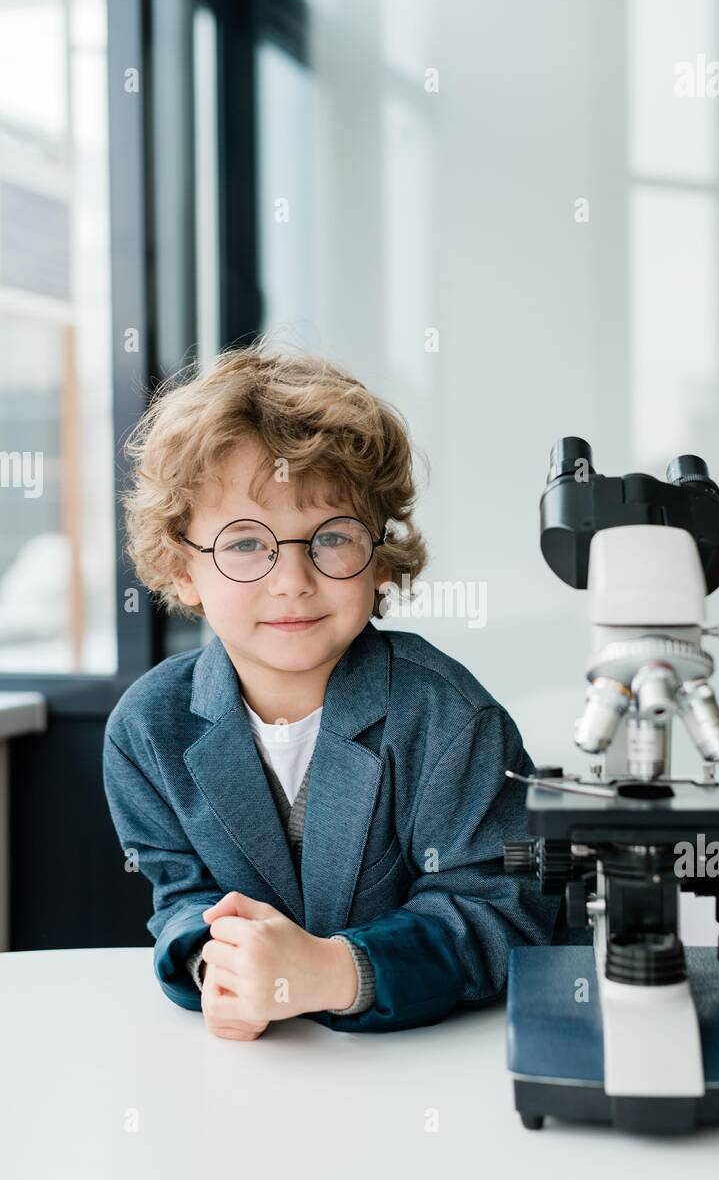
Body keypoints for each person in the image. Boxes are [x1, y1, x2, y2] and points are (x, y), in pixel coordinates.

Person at [102, 340, 560, 1039]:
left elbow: (501, 905)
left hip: (431, 1068)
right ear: (183, 568)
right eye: (247, 544)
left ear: (379, 557)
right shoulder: (147, 730)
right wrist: (216, 969)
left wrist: (338, 969)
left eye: (332, 538)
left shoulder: (449, 718)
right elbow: (181, 897)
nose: (293, 579)